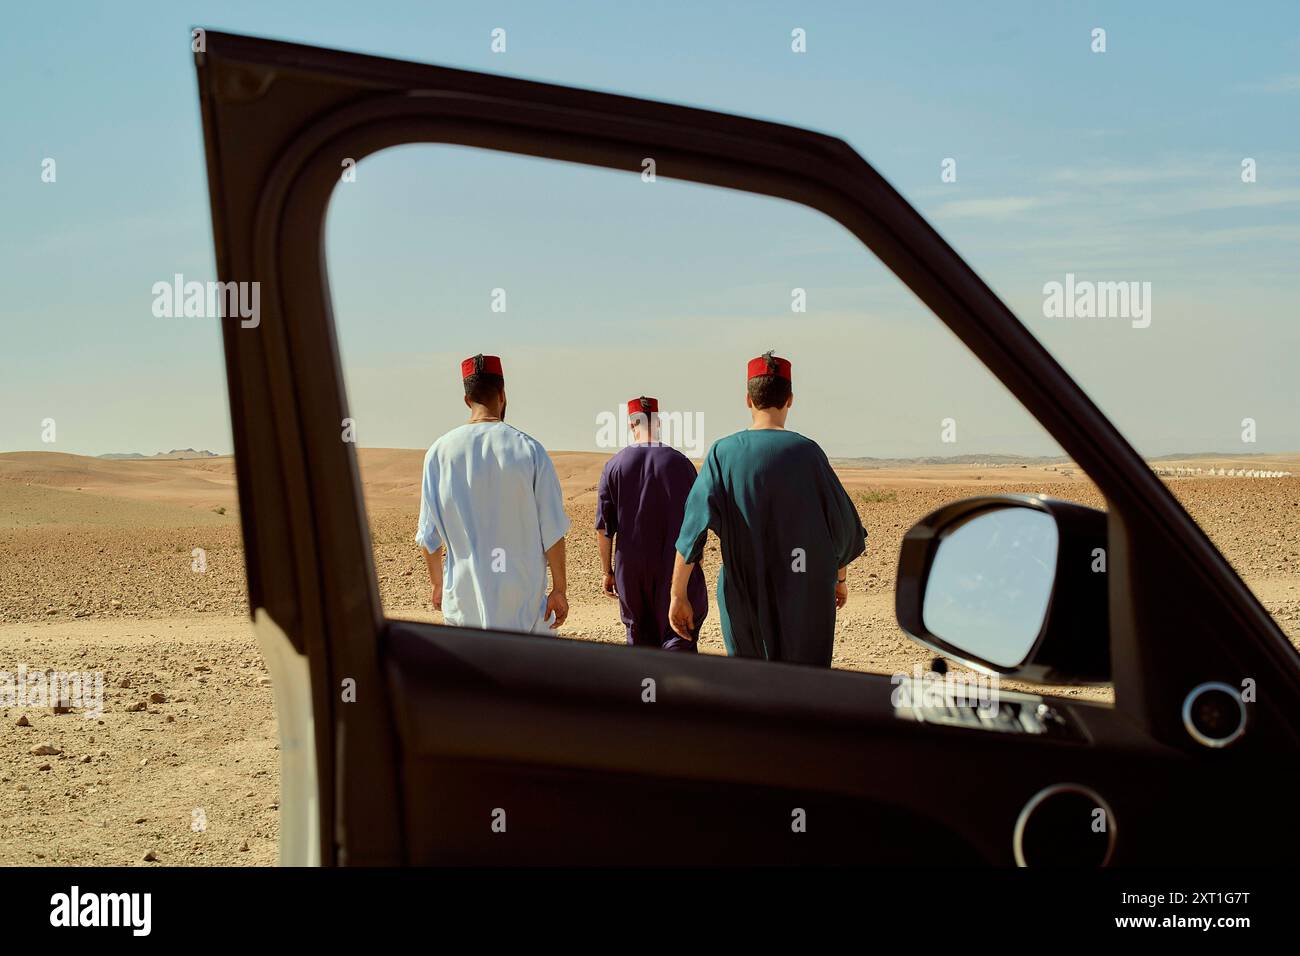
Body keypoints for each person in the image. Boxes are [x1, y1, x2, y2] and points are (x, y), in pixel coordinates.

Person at [668, 352, 866, 666]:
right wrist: (839, 580)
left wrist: (678, 594)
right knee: (805, 687)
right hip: (805, 598)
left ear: (748, 399)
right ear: (790, 399)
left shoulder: (723, 452)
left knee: (752, 688)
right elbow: (841, 529)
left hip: (744, 595)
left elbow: (692, 530)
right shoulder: (809, 452)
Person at [415, 353, 570, 633]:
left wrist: (438, 584)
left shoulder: (438, 453)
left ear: (466, 400)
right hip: (525, 610)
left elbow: (429, 537)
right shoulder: (530, 450)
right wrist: (560, 589)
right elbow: (553, 530)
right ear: (502, 394)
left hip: (464, 609)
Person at [595, 396, 708, 651]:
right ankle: (677, 690)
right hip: (675, 566)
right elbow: (698, 520)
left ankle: (647, 690)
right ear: (658, 424)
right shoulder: (681, 463)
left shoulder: (614, 466)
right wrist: (696, 561)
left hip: (632, 570)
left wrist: (607, 571)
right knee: (680, 635)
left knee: (639, 640)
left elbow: (604, 528)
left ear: (631, 425)